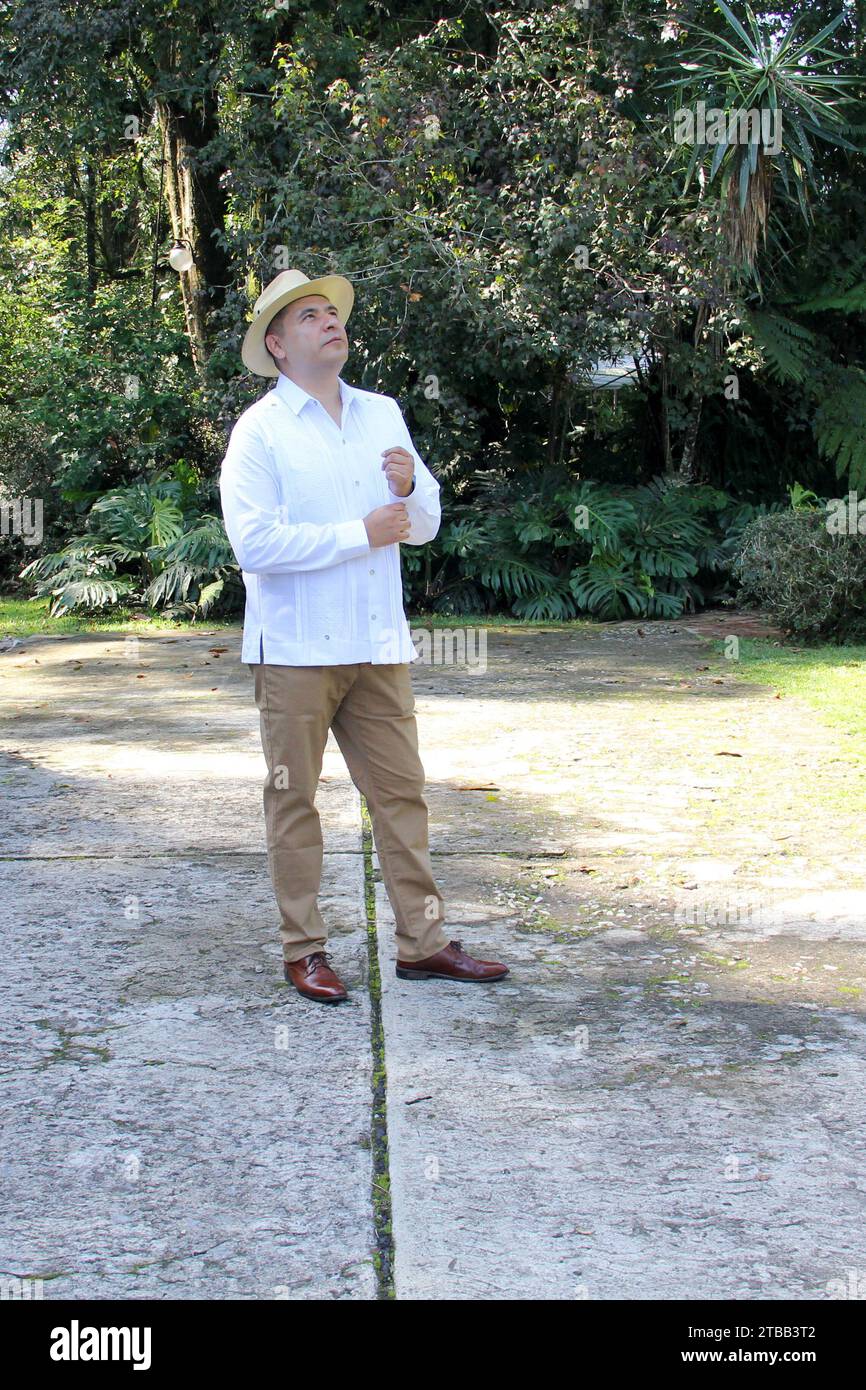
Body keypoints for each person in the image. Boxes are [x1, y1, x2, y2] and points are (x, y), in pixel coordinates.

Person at [218, 268, 509, 1002]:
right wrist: (360, 532)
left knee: (403, 796)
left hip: (378, 643)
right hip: (295, 651)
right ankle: (303, 949)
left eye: (331, 312)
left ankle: (424, 942)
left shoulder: (383, 413)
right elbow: (254, 544)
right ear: (278, 346)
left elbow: (428, 522)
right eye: (308, 316)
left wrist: (411, 491)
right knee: (294, 801)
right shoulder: (260, 432)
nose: (328, 322)